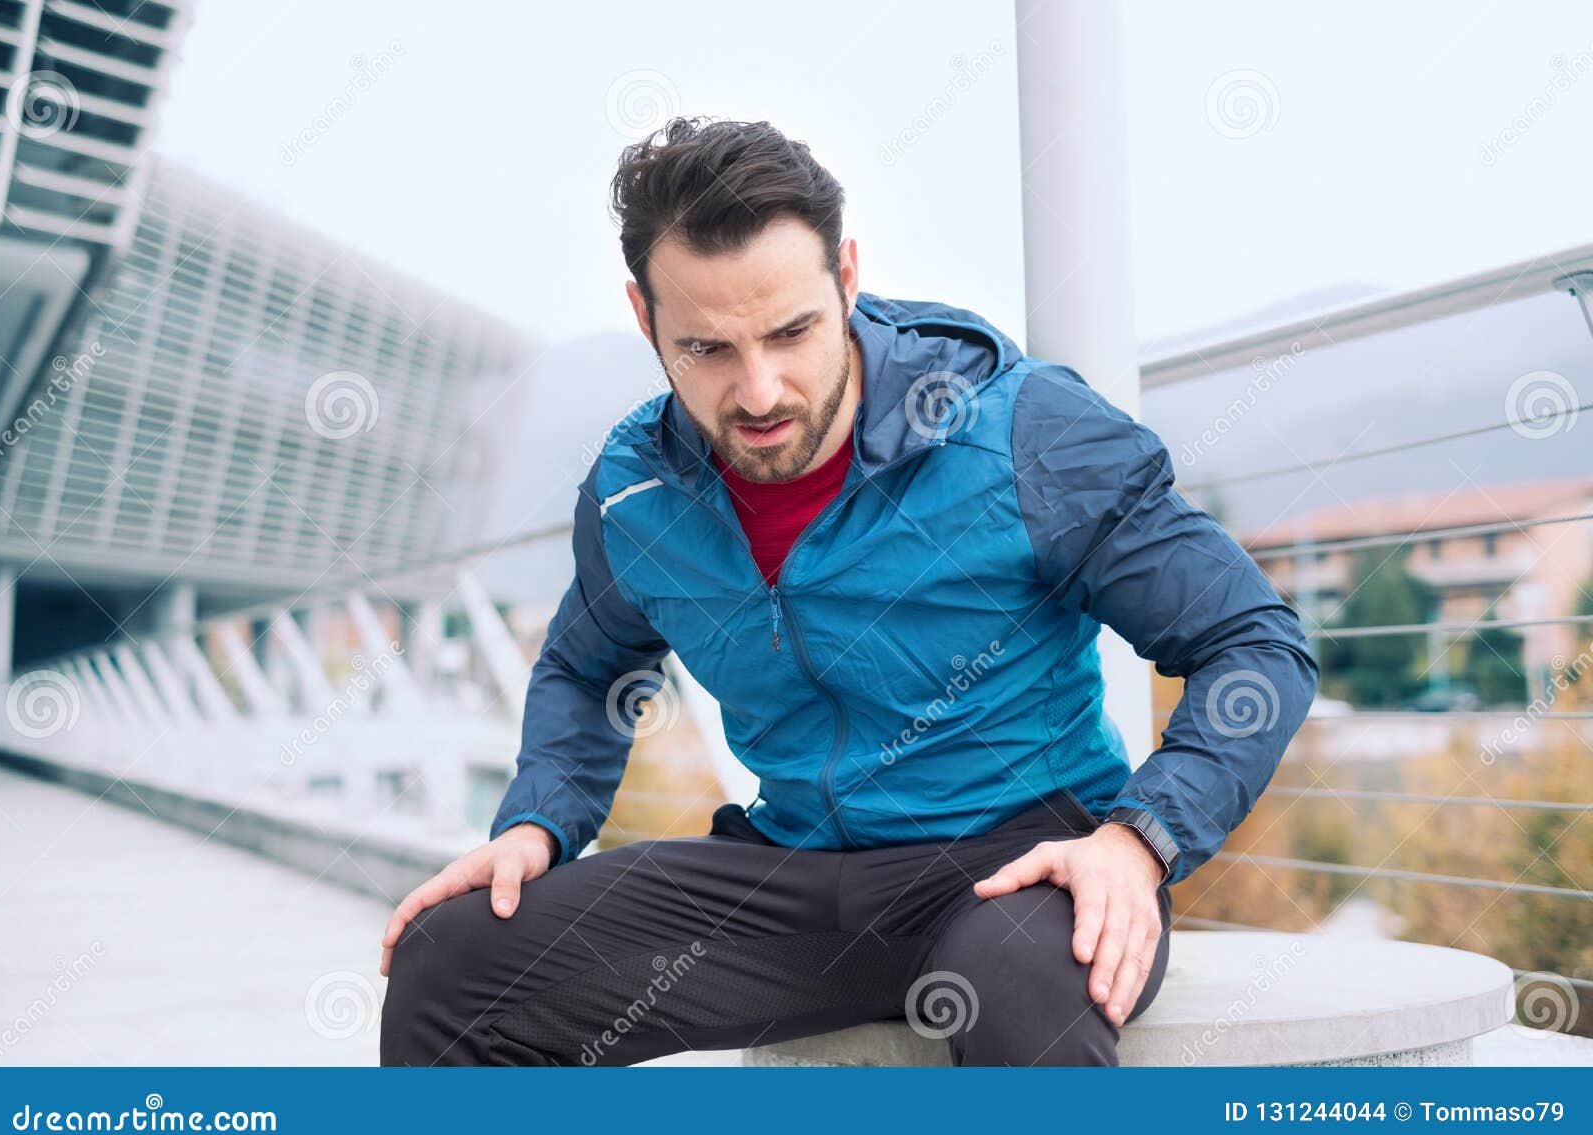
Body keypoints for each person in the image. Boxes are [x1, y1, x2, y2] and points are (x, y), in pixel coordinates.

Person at [378, 116, 1318, 1067]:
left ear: (848, 277)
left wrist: (1139, 838)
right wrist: (538, 820)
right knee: (446, 962)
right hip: (793, 875)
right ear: (643, 317)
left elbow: (1256, 644)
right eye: (707, 348)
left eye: (792, 331)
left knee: (1019, 983)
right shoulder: (633, 491)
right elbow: (587, 669)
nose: (758, 390)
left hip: (1022, 866)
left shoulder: (1022, 430)